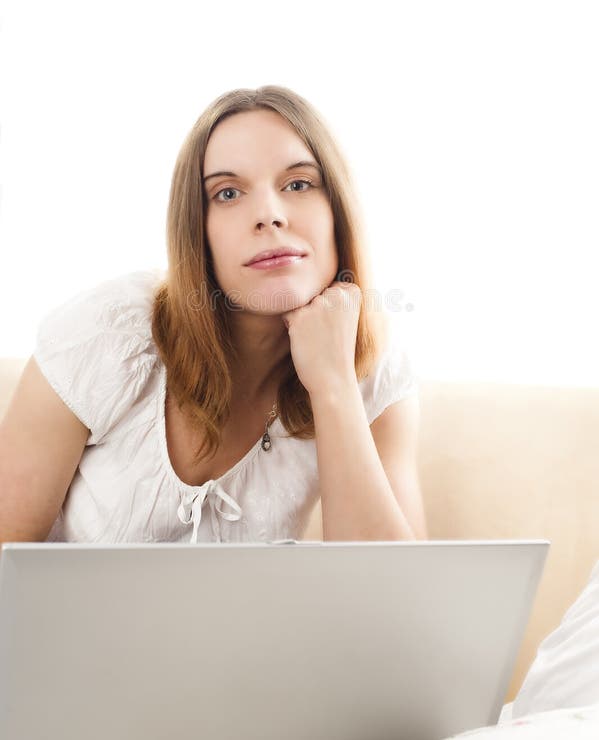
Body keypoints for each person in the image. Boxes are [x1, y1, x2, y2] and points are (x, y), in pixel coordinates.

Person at [0, 85, 427, 546]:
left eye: (298, 184)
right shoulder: (106, 335)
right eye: (227, 193)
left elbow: (387, 599)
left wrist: (334, 386)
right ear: (197, 233)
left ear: (337, 211)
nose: (269, 214)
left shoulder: (376, 375)